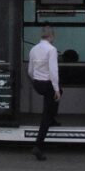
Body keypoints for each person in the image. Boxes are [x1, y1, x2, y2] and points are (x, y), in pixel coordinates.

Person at [28, 25, 61, 161]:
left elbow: (30, 70)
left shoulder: (33, 49)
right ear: (51, 36)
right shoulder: (52, 49)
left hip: (37, 83)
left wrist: (35, 79)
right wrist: (56, 89)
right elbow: (53, 71)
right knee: (46, 115)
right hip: (48, 84)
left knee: (55, 99)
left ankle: (52, 117)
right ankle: (38, 146)